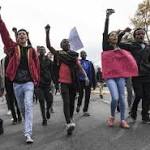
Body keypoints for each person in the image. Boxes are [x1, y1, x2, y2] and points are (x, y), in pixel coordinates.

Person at [0, 11, 40, 143]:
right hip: (16, 84)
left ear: (27, 37)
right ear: (17, 38)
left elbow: (36, 66)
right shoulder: (12, 48)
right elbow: (4, 34)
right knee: (22, 108)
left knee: (28, 105)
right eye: (19, 34)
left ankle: (28, 133)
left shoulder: (32, 50)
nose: (21, 35)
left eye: (24, 34)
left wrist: (36, 80)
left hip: (28, 83)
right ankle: (25, 121)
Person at [45, 24, 89, 135]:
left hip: (73, 83)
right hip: (63, 82)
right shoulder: (59, 54)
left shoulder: (74, 56)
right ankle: (68, 123)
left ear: (70, 45)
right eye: (64, 42)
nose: (66, 43)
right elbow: (49, 46)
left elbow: (79, 67)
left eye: (67, 42)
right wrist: (47, 32)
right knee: (66, 102)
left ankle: (70, 118)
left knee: (72, 104)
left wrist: (86, 76)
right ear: (61, 45)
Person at [102, 9, 130, 128]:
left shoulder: (120, 47)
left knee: (122, 98)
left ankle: (123, 120)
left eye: (115, 35)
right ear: (108, 39)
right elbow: (105, 32)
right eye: (111, 36)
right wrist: (107, 17)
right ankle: (112, 116)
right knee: (115, 98)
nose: (114, 37)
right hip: (110, 77)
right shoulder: (106, 47)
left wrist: (124, 31)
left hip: (120, 76)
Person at [119, 28, 150, 123]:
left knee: (148, 96)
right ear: (135, 36)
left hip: (148, 74)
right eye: (138, 34)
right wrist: (123, 32)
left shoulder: (148, 46)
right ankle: (133, 112)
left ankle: (145, 116)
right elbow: (118, 43)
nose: (140, 35)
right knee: (139, 95)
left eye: (142, 34)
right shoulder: (131, 46)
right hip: (136, 75)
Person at [36, 46, 56, 126]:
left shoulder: (49, 61)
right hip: (39, 84)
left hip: (48, 84)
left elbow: (52, 73)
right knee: (41, 101)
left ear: (45, 51)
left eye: (43, 49)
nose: (41, 50)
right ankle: (44, 118)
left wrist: (54, 82)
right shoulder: (35, 60)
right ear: (38, 51)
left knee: (50, 101)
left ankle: (47, 110)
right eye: (40, 49)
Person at [76, 50, 96, 116]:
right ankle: (78, 105)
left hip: (88, 81)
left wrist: (94, 83)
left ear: (86, 55)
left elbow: (93, 73)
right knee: (81, 95)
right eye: (82, 54)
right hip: (80, 81)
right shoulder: (78, 62)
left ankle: (85, 110)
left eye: (84, 53)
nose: (83, 55)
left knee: (87, 96)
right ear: (80, 55)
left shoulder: (89, 63)